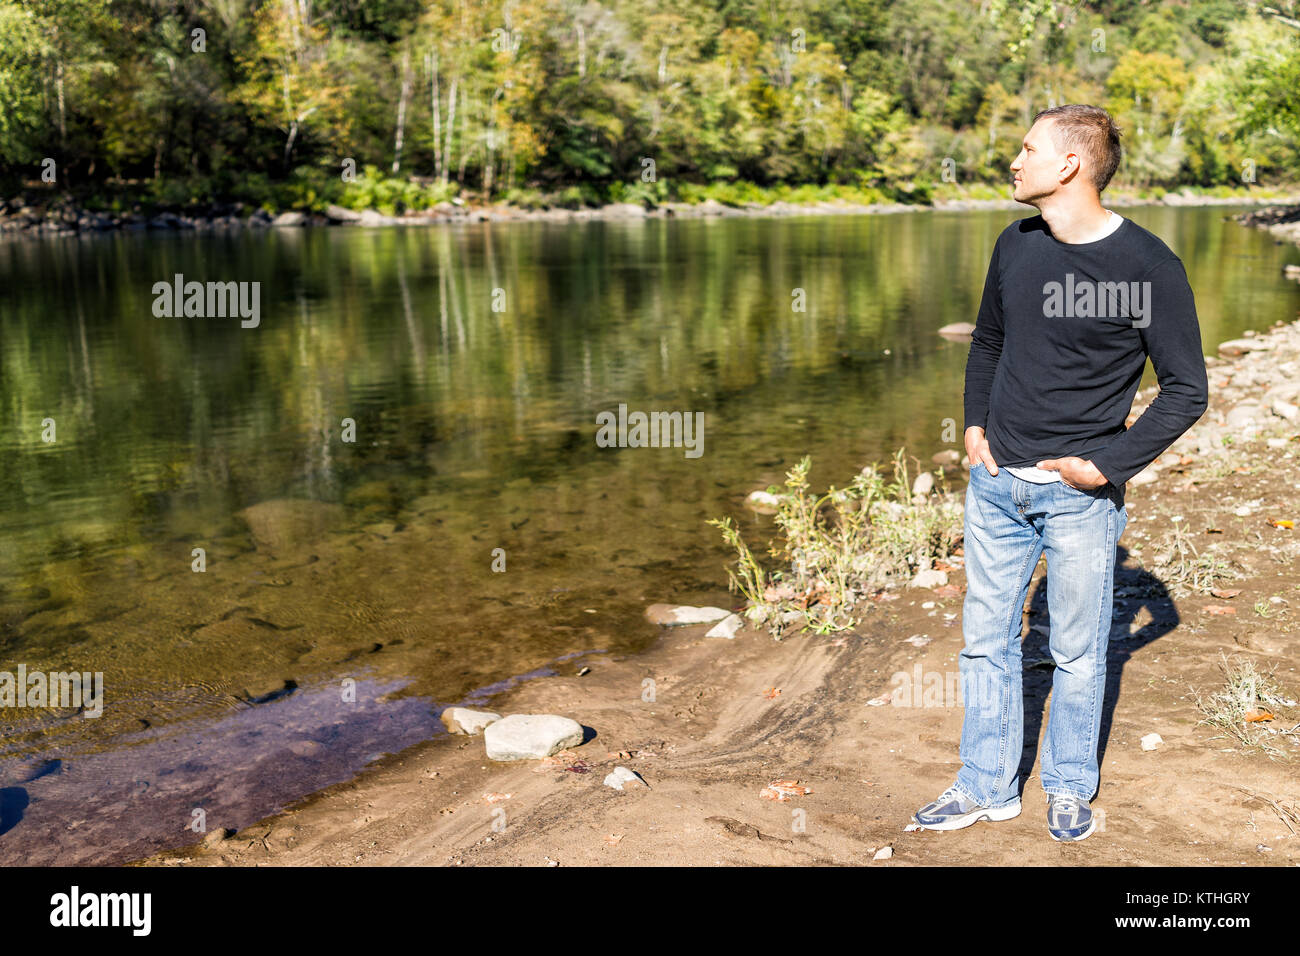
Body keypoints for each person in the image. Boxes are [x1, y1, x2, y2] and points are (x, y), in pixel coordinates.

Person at [913, 104, 1209, 841]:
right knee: (985, 643)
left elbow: (1186, 390)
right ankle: (986, 786)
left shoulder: (1148, 266)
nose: (1014, 161)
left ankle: (1069, 786)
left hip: (1080, 501)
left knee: (1077, 652)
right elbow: (987, 340)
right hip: (996, 489)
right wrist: (975, 423)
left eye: (1027, 148)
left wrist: (1104, 465)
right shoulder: (1015, 244)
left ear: (1070, 164)